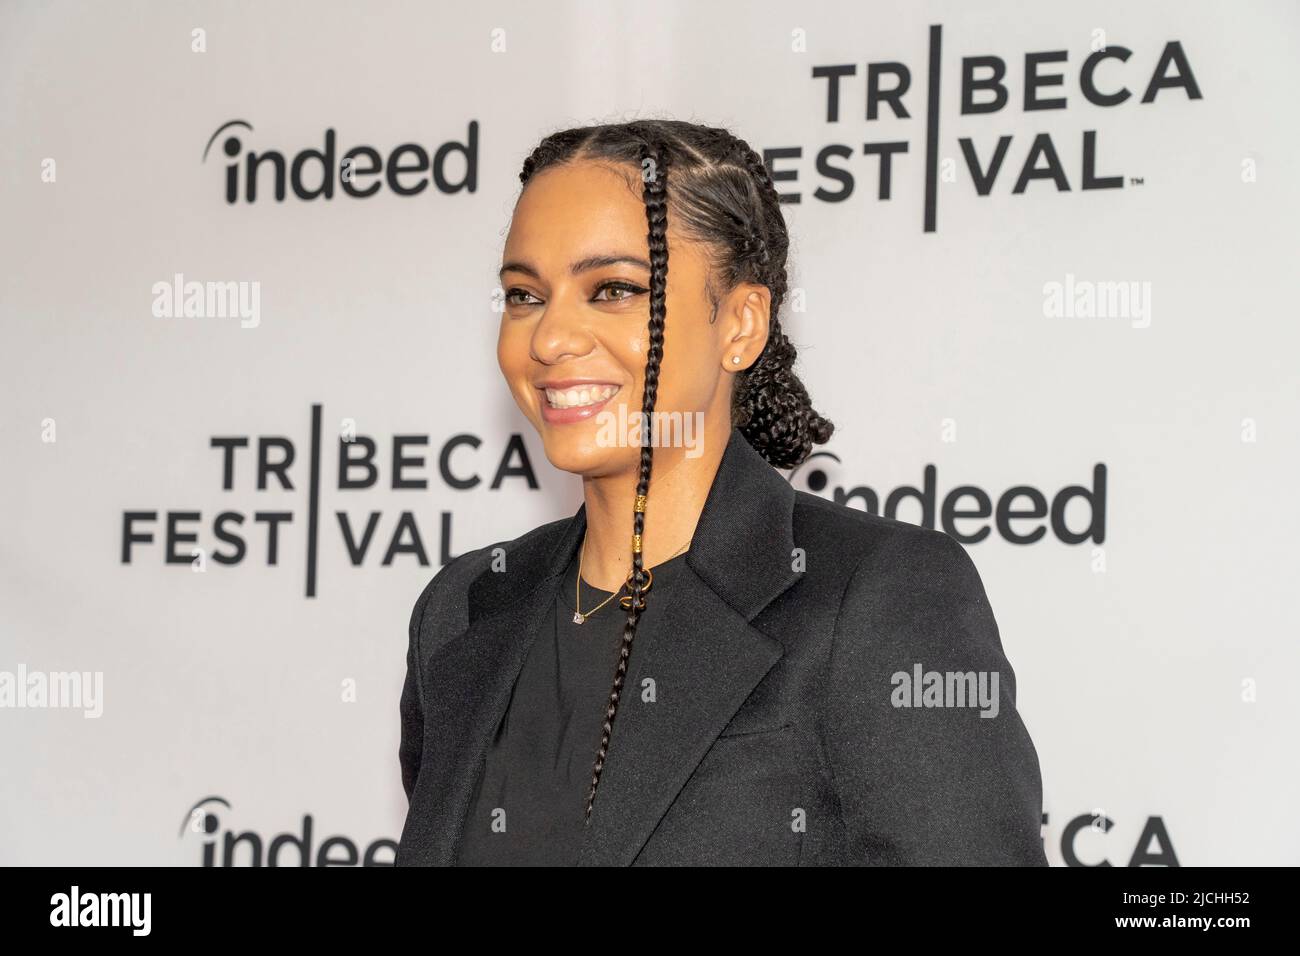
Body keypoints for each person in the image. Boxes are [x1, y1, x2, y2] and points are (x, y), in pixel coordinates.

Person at [396, 119, 1047, 866]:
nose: (548, 338)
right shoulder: (463, 608)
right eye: (523, 295)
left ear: (741, 323)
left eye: (612, 290)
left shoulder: (877, 597)